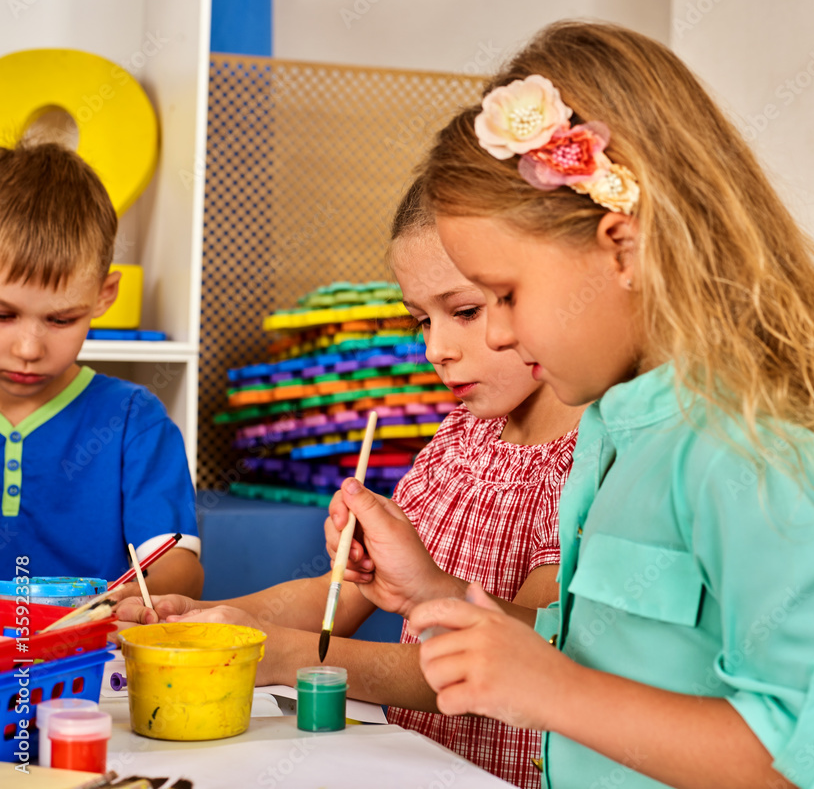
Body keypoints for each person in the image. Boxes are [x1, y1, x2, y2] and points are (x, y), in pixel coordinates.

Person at [327, 22, 814, 789]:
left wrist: (550, 690)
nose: (506, 333)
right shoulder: (616, 433)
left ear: (622, 247)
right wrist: (439, 594)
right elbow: (602, 650)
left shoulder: (754, 452)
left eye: (506, 296)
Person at [117, 179, 582, 789]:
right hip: (428, 768)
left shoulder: (584, 463)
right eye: (420, 320)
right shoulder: (460, 437)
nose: (436, 349)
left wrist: (285, 656)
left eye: (464, 311)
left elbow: (513, 657)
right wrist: (209, 622)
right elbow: (339, 595)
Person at [0, 141, 202, 598]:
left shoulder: (134, 420)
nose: (29, 348)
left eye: (61, 320)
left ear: (104, 296)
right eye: (3, 315)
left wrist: (109, 605)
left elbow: (179, 570)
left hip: (89, 662)